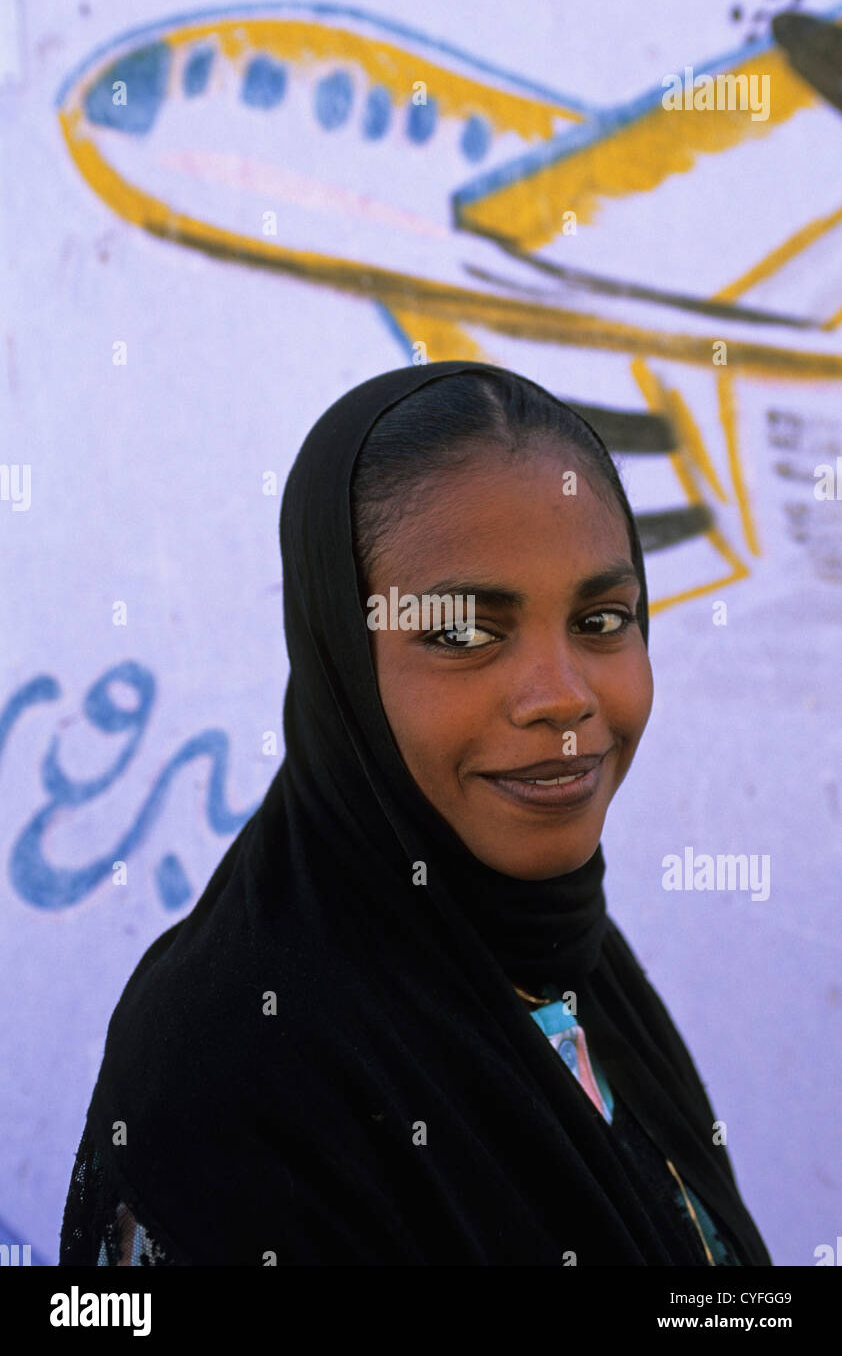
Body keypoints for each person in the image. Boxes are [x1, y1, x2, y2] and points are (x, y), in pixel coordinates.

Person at [58, 360, 771, 1265]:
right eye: (464, 633)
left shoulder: (565, 957)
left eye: (601, 621)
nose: (562, 698)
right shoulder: (233, 1067)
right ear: (341, 659)